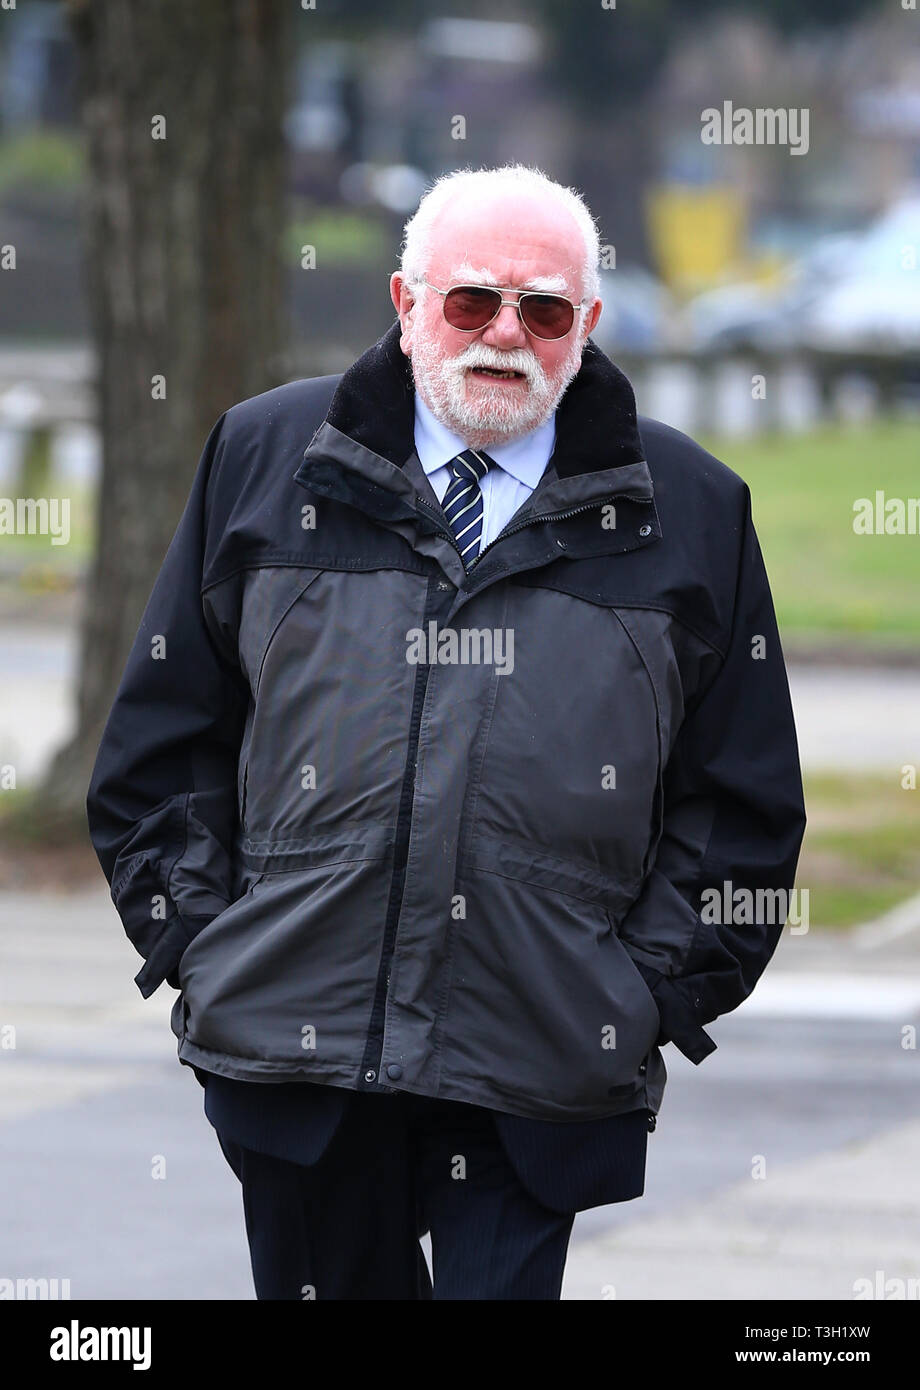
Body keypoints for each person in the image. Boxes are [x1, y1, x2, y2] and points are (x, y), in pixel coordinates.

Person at [86, 164, 806, 1301]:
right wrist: (206, 947)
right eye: (471, 300)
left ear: (588, 327)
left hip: (543, 1063)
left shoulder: (692, 507)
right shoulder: (265, 455)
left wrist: (641, 998)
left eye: (543, 309)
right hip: (298, 1043)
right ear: (406, 300)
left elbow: (743, 804)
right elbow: (162, 747)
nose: (504, 334)